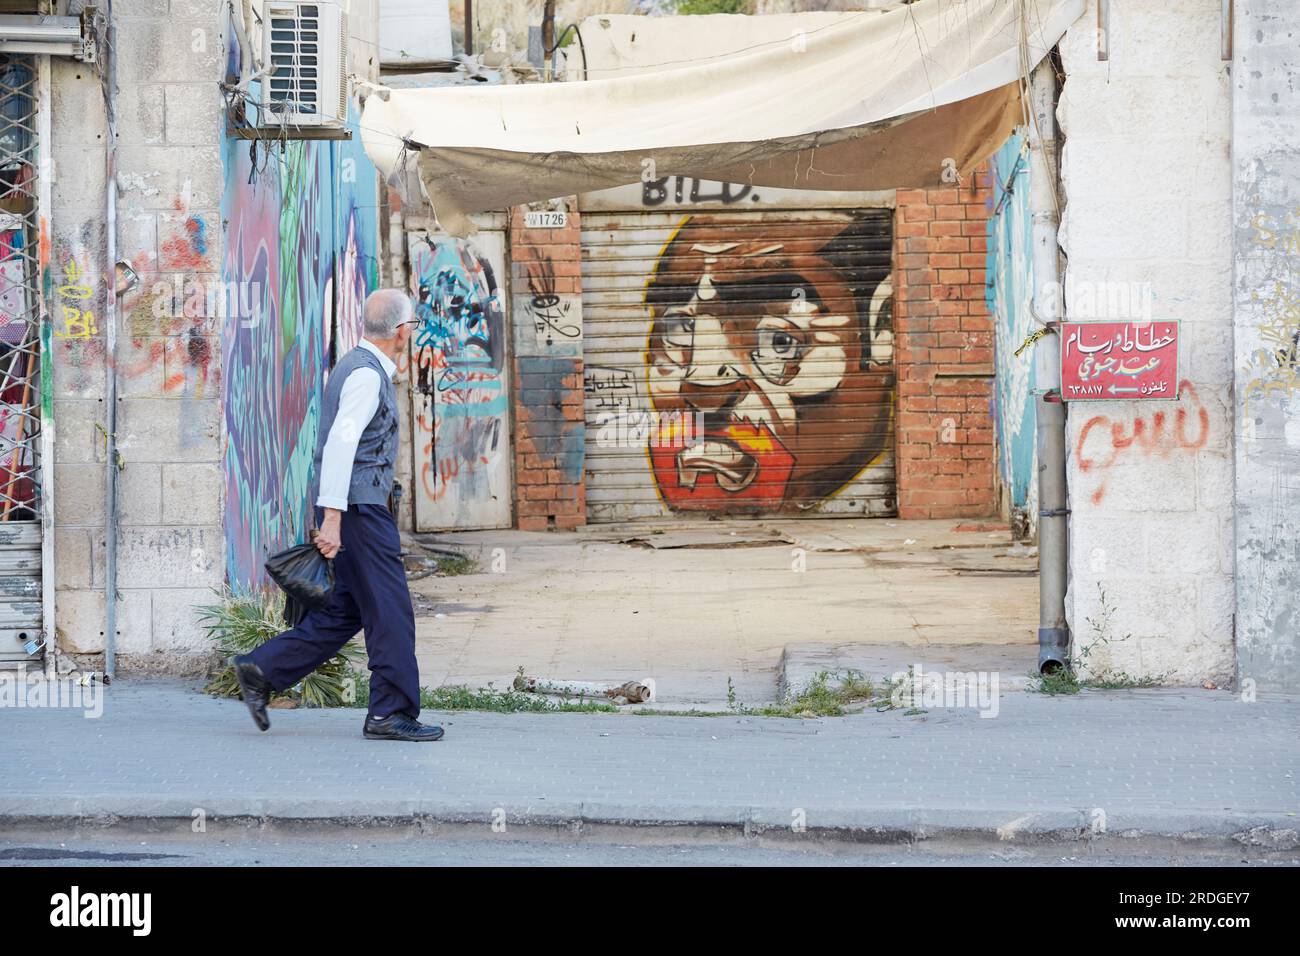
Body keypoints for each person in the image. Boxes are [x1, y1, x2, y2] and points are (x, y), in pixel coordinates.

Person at [230, 289, 443, 742]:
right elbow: (341, 447)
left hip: (354, 509)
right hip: (360, 512)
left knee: (344, 611)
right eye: (413, 326)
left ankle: (261, 669)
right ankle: (390, 712)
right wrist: (332, 519)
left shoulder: (357, 366)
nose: (412, 333)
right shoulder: (366, 377)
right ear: (401, 331)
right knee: (391, 611)